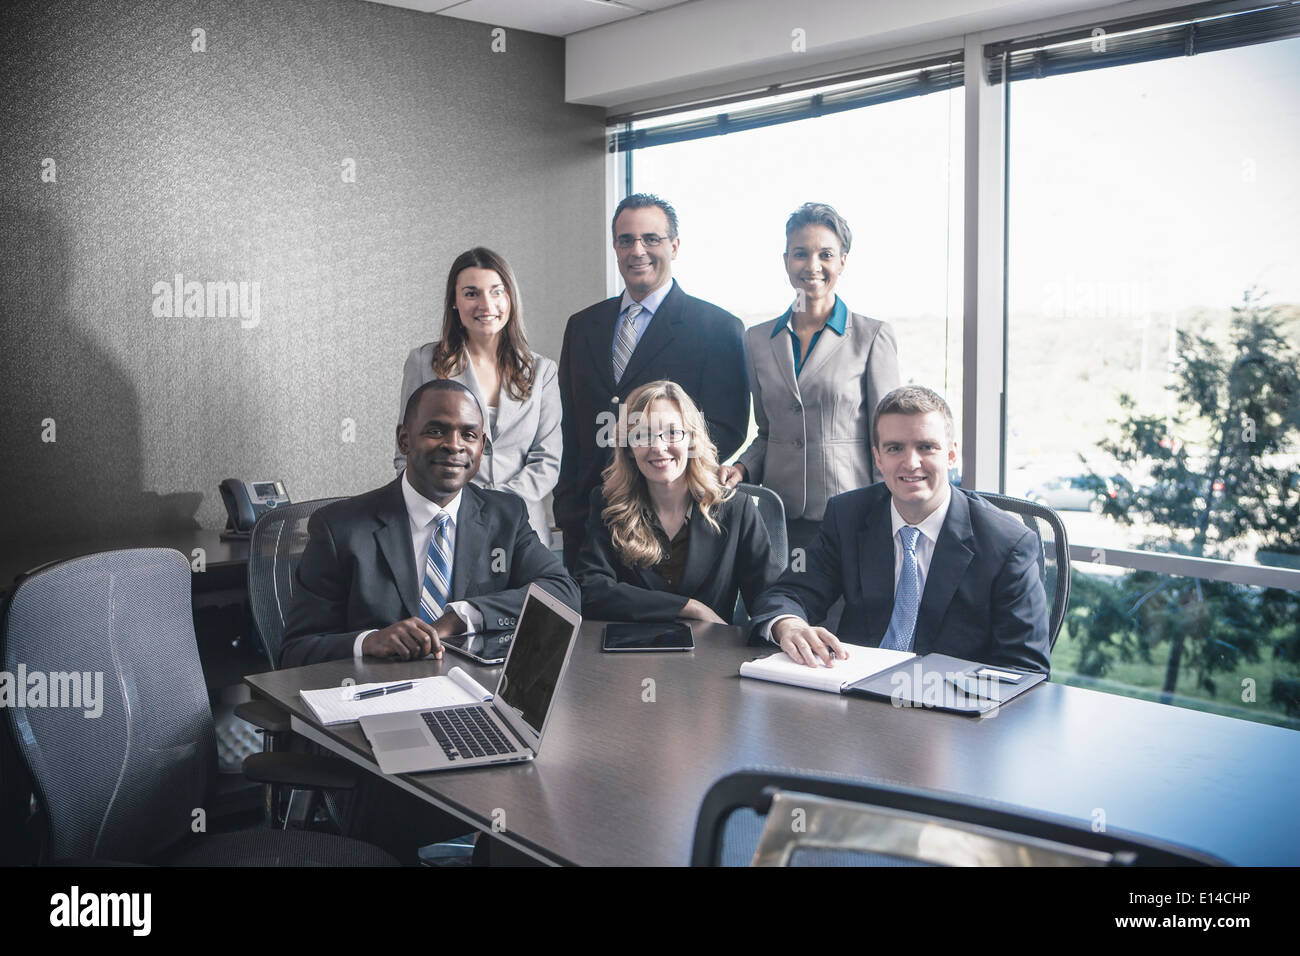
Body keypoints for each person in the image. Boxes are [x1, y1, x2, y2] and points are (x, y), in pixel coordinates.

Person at [748, 385, 1051, 674]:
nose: (911, 463)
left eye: (926, 447)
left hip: (950, 711)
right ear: (878, 458)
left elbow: (1024, 669)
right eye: (895, 448)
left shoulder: (1008, 543)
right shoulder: (848, 516)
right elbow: (790, 591)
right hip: (856, 697)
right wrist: (789, 624)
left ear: (950, 454)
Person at [282, 379, 579, 668]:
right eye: (436, 431)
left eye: (469, 435)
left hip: (471, 693)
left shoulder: (505, 516)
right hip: (379, 699)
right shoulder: (339, 528)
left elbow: (562, 594)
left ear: (482, 445)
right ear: (404, 439)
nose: (454, 445)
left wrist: (463, 616)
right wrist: (369, 642)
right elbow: (296, 650)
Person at [556, 193, 749, 567]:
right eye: (626, 240)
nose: (637, 250)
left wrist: (666, 491)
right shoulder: (582, 326)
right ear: (615, 246)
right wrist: (566, 501)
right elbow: (568, 420)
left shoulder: (718, 329)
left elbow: (726, 427)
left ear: (674, 246)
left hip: (666, 520)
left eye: (651, 239)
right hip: (584, 517)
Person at [719, 202, 900, 556]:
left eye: (826, 254)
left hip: (851, 514)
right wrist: (742, 467)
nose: (812, 266)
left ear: (842, 262)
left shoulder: (872, 336)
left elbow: (889, 439)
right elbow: (768, 433)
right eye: (801, 254)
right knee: (782, 607)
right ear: (786, 260)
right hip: (779, 516)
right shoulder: (757, 340)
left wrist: (886, 513)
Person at [574, 380, 783, 625]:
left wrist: (787, 624)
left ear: (692, 440)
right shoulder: (608, 503)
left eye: (672, 433)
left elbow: (769, 595)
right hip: (631, 655)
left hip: (710, 656)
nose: (659, 447)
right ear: (628, 448)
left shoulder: (737, 508)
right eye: (643, 435)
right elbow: (591, 591)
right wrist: (688, 608)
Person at [396, 247, 561, 546]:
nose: (486, 304)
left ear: (510, 298)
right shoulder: (424, 362)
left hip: (522, 528)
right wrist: (456, 507)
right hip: (446, 527)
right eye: (471, 293)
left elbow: (547, 459)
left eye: (496, 291)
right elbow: (405, 453)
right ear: (454, 302)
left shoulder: (543, 371)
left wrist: (496, 507)